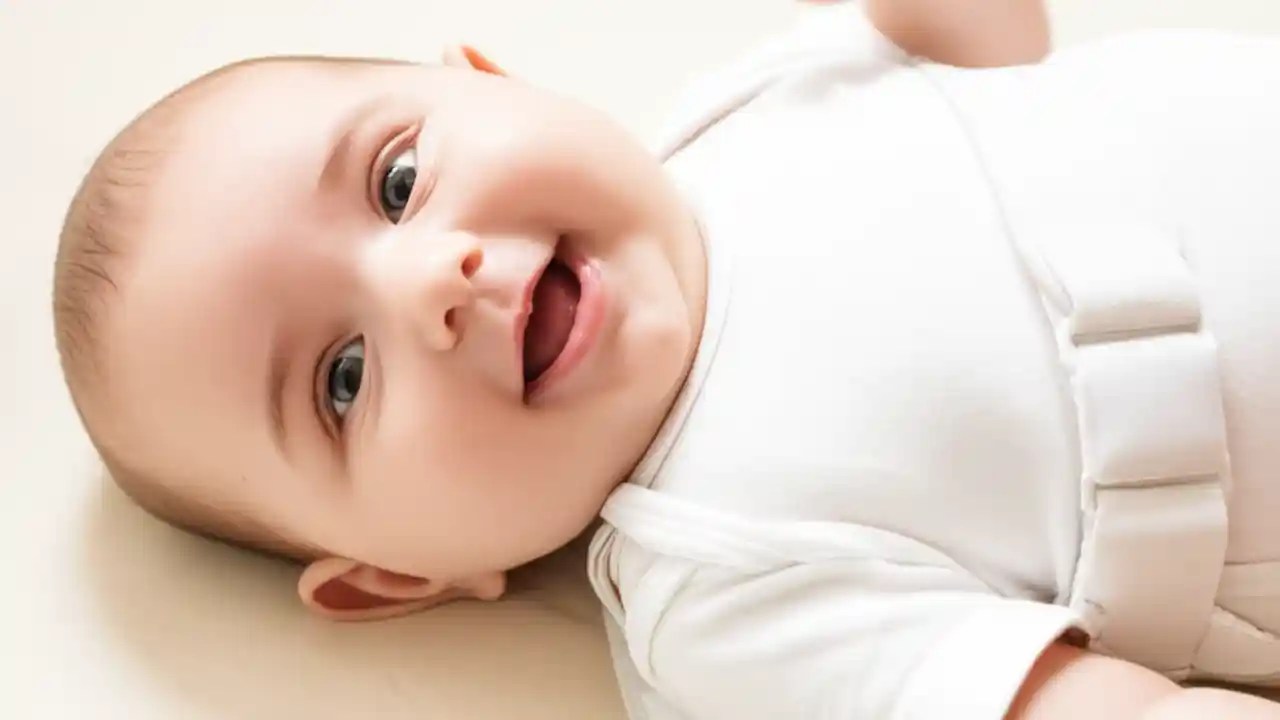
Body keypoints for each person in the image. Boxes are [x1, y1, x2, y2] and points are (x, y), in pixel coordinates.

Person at [52, 0, 1280, 716]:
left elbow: (994, 48)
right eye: (341, 381)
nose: (433, 281)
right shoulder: (715, 591)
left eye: (398, 179)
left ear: (492, 79)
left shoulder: (733, 117)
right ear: (393, 574)